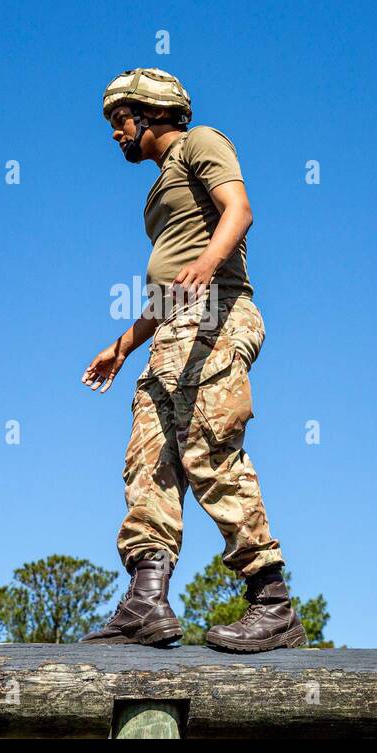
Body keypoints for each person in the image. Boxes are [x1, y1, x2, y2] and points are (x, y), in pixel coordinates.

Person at [79, 68, 306, 653]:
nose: (114, 134)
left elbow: (240, 209)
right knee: (150, 458)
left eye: (118, 121)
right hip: (173, 326)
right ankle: (145, 601)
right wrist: (125, 343)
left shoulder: (200, 142)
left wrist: (207, 266)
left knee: (207, 443)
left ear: (151, 113)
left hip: (216, 313)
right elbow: (169, 287)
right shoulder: (158, 188)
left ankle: (271, 602)